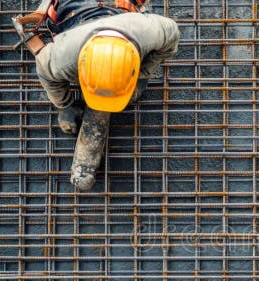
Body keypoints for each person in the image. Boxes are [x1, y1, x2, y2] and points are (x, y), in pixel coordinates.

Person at [16, 0, 180, 191]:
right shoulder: (61, 58)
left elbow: (172, 35)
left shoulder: (151, 30)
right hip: (74, 27)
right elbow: (44, 70)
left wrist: (142, 76)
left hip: (121, 18)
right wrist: (64, 105)